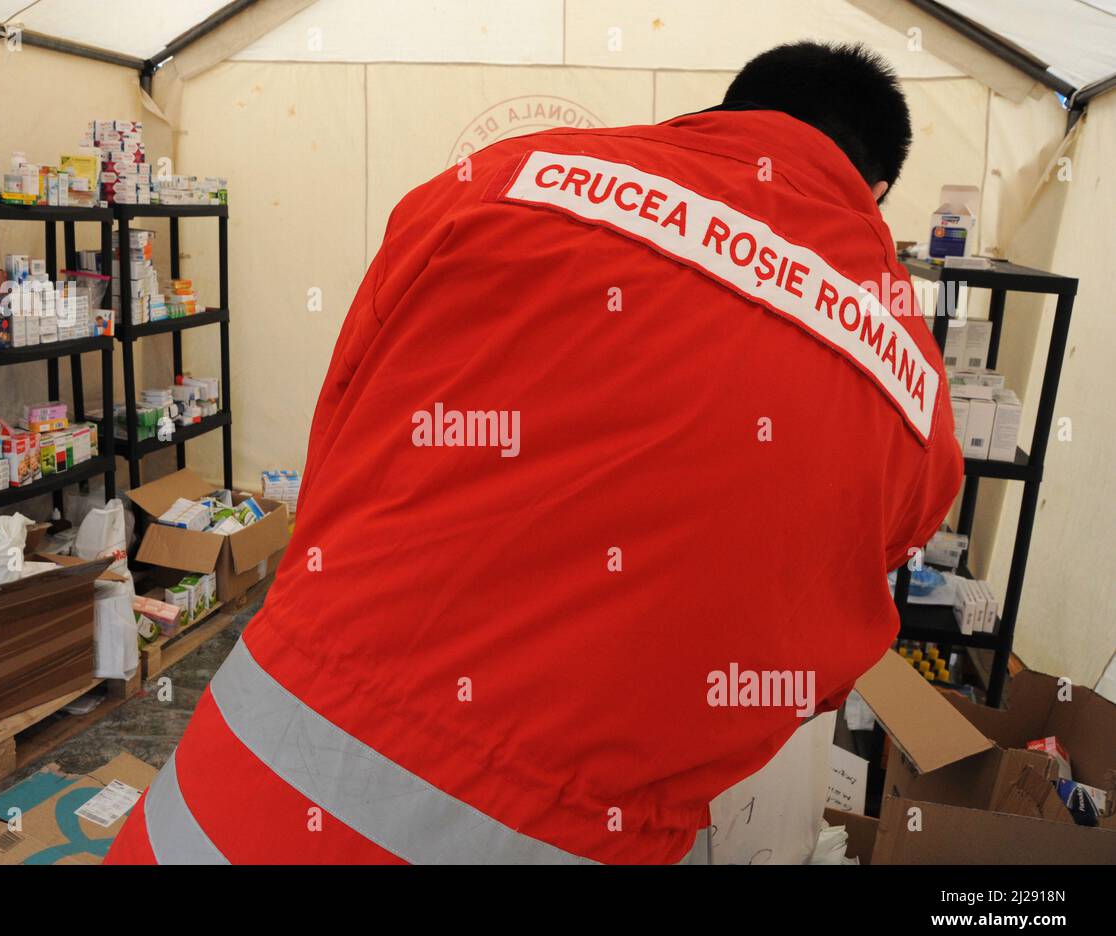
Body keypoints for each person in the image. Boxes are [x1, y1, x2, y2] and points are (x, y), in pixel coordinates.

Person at [107, 41, 963, 865]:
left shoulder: (506, 179)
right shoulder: (914, 393)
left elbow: (344, 429)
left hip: (237, 788)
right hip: (572, 833)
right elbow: (819, 648)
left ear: (728, 111)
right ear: (875, 187)